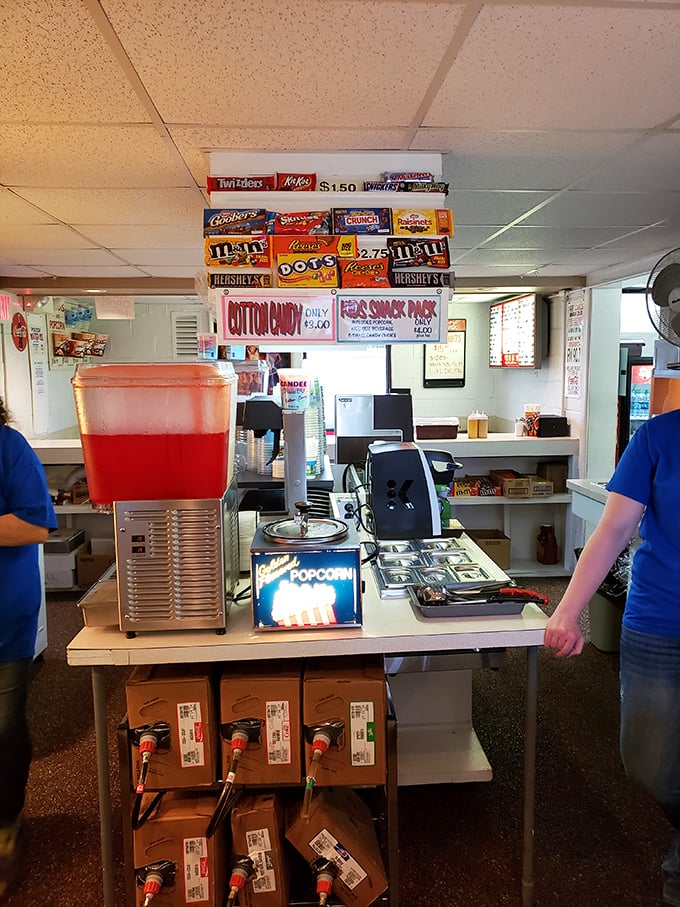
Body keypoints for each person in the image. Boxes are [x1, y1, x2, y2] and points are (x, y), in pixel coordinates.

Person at [544, 406, 680, 906]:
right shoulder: (659, 436)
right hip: (658, 619)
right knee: (648, 763)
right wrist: (567, 612)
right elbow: (615, 528)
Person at [0, 397, 57, 898]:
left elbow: (37, 525)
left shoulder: (8, 448)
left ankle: (6, 825)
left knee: (4, 730)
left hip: (3, 621)